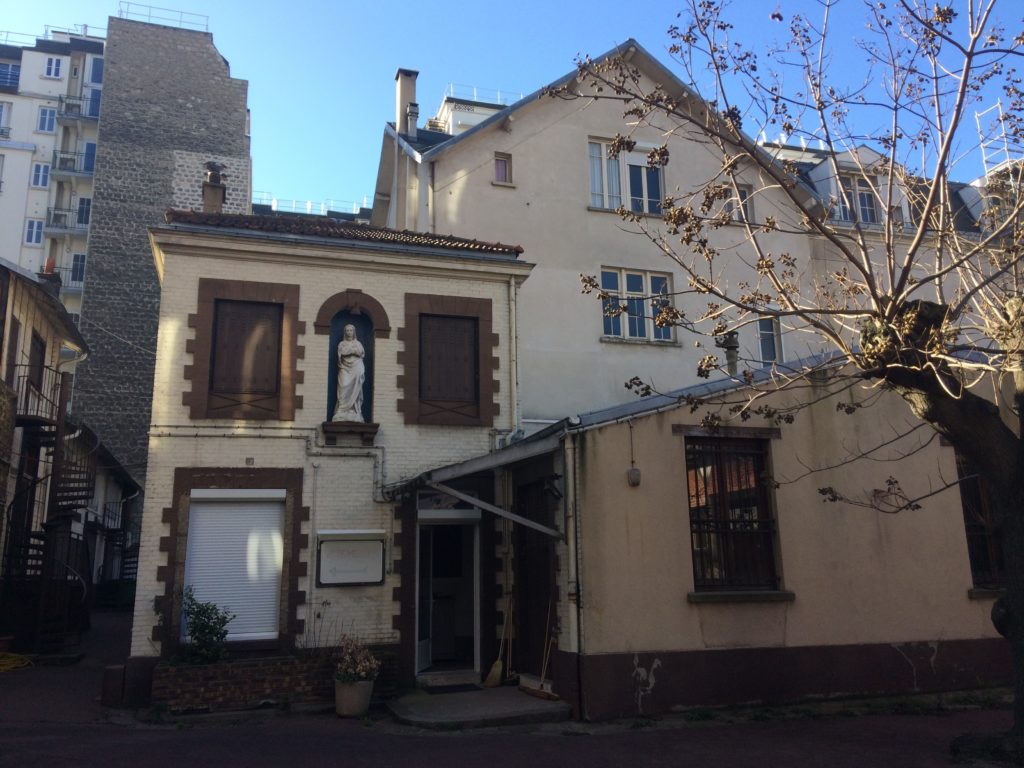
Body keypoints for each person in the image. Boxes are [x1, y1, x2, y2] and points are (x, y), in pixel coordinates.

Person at [332, 324, 365, 422]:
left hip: (356, 367)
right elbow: (342, 353)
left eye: (351, 330)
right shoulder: (342, 343)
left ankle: (354, 410)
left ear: (354, 332)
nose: (349, 332)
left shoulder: (358, 343)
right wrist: (352, 351)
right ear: (345, 332)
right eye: (347, 330)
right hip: (344, 368)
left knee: (356, 387)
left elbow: (361, 353)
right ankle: (342, 410)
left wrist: (350, 351)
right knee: (343, 386)